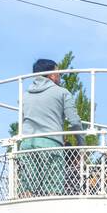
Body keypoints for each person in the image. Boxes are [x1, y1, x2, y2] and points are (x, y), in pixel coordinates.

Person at [18, 58, 83, 196]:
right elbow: (75, 122)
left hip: (27, 145)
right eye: (58, 72)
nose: (60, 76)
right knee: (52, 191)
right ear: (52, 75)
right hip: (51, 145)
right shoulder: (62, 93)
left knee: (27, 191)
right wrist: (81, 144)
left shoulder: (24, 96)